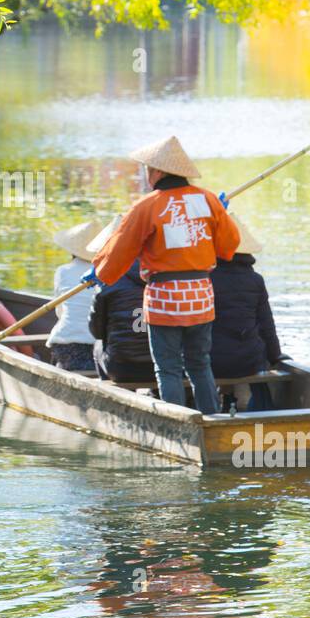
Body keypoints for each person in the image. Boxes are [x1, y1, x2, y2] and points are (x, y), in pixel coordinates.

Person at [86, 135, 239, 415]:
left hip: (164, 298)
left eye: (147, 169)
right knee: (200, 363)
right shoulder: (207, 201)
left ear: (157, 171)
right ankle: (213, 418)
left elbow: (121, 247)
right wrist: (220, 215)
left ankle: (178, 423)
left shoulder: (147, 206)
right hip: (200, 296)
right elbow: (229, 247)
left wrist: (100, 271)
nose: (146, 175)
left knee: (168, 368)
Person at [210, 214, 284, 412]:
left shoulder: (204, 279)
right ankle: (230, 399)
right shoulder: (256, 280)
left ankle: (224, 401)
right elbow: (267, 326)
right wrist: (276, 357)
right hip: (248, 362)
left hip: (211, 362)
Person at [86, 215, 151, 383]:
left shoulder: (108, 282)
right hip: (163, 365)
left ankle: (107, 400)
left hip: (121, 367)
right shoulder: (161, 278)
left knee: (98, 347)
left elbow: (96, 331)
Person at [46, 219, 105, 372]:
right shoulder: (109, 272)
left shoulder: (63, 271)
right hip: (100, 343)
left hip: (66, 341)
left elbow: (60, 311)